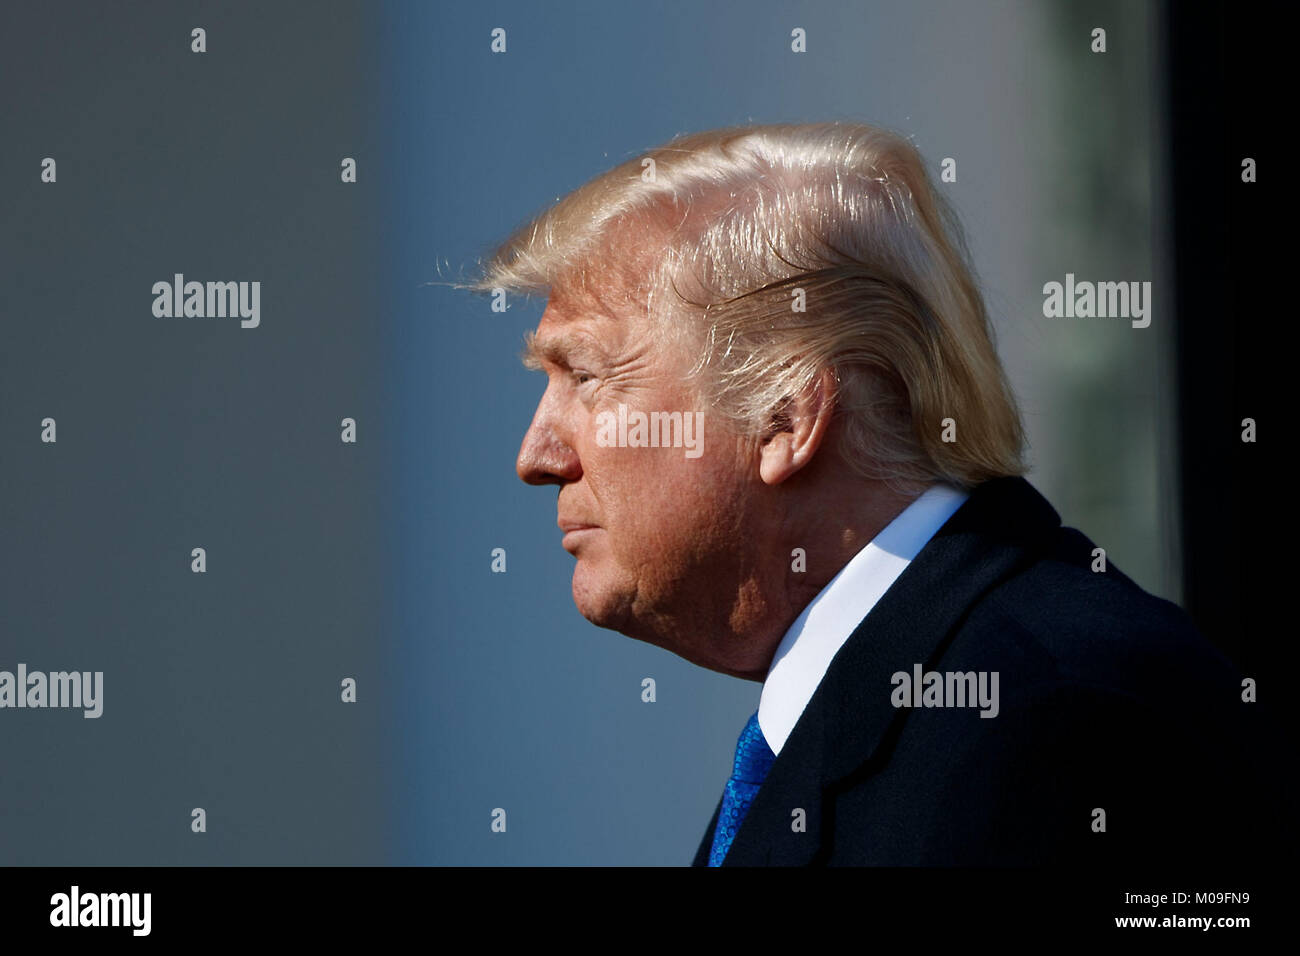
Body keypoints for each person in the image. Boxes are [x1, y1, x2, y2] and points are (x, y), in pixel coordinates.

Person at [468, 122, 1272, 866]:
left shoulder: (1050, 722)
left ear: (786, 415)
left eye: (585, 375)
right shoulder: (896, 712)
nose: (534, 456)